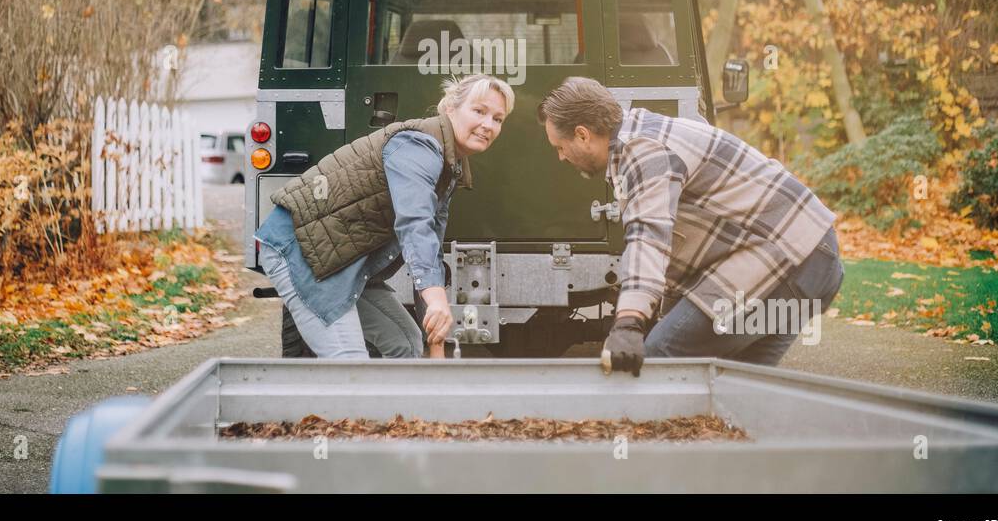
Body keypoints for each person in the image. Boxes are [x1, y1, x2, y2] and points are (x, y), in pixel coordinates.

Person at [538, 76, 843, 374]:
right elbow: (680, 244)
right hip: (809, 256)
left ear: (582, 134)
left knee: (662, 357)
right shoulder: (641, 134)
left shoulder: (643, 150)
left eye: (559, 146)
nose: (561, 157)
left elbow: (648, 236)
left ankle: (634, 423)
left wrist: (629, 322)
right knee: (735, 389)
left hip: (792, 258)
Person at [254, 73, 514, 359]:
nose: (488, 125)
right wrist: (436, 296)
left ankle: (405, 406)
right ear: (450, 108)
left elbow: (431, 250)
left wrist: (437, 343)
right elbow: (414, 224)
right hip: (301, 252)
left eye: (498, 119)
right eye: (479, 111)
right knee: (350, 360)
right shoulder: (419, 146)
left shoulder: (449, 167)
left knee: (405, 343)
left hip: (345, 260)